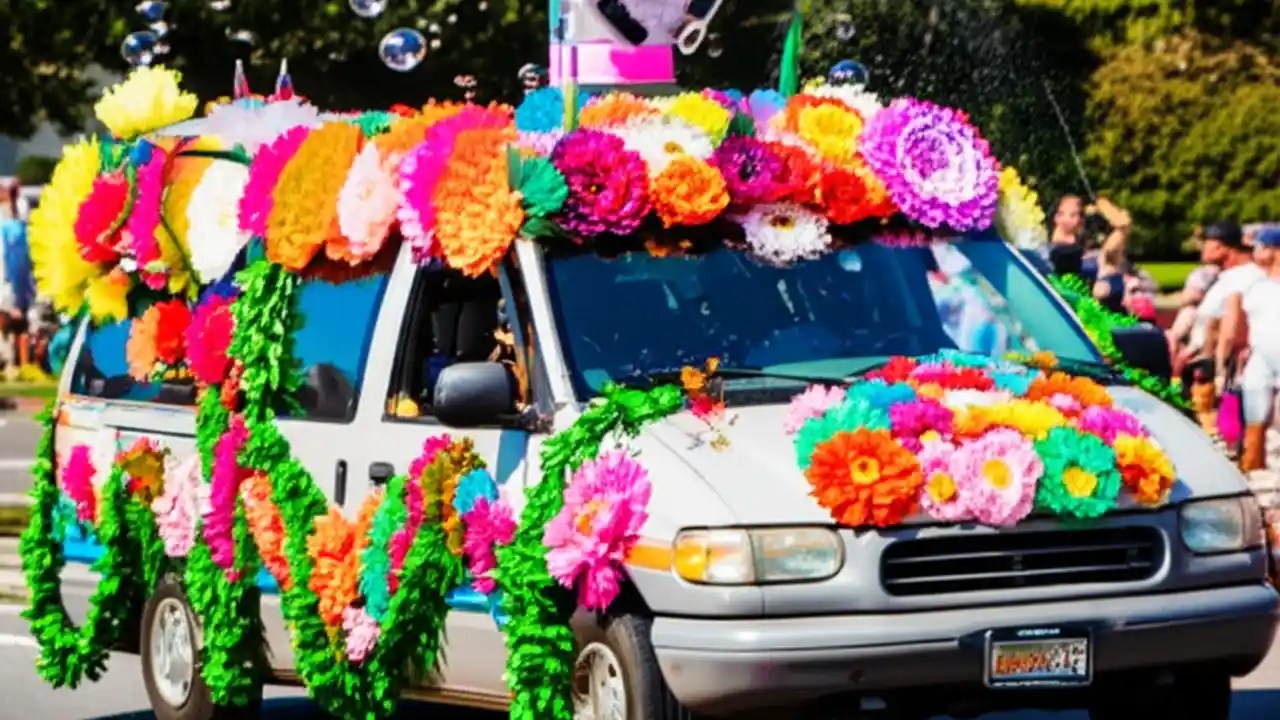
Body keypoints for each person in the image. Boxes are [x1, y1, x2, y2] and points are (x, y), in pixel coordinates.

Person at [1183, 221, 1264, 433]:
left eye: (1207, 244)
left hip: (1218, 368)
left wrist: (1217, 370)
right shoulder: (1228, 277)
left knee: (1219, 432)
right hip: (1204, 364)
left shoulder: (1244, 277)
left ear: (1223, 247)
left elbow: (1231, 326)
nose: (1203, 249)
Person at [1220, 226, 1280, 471]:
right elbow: (1242, 323)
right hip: (1261, 358)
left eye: (1257, 247)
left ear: (1273, 250)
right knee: (1255, 415)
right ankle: (1253, 468)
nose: (1253, 252)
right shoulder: (1254, 283)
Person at [0, 182, 34, 372]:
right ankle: (16, 362)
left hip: (15, 279)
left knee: (19, 324)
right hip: (11, 278)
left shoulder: (16, 225)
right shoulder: (11, 226)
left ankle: (20, 363)